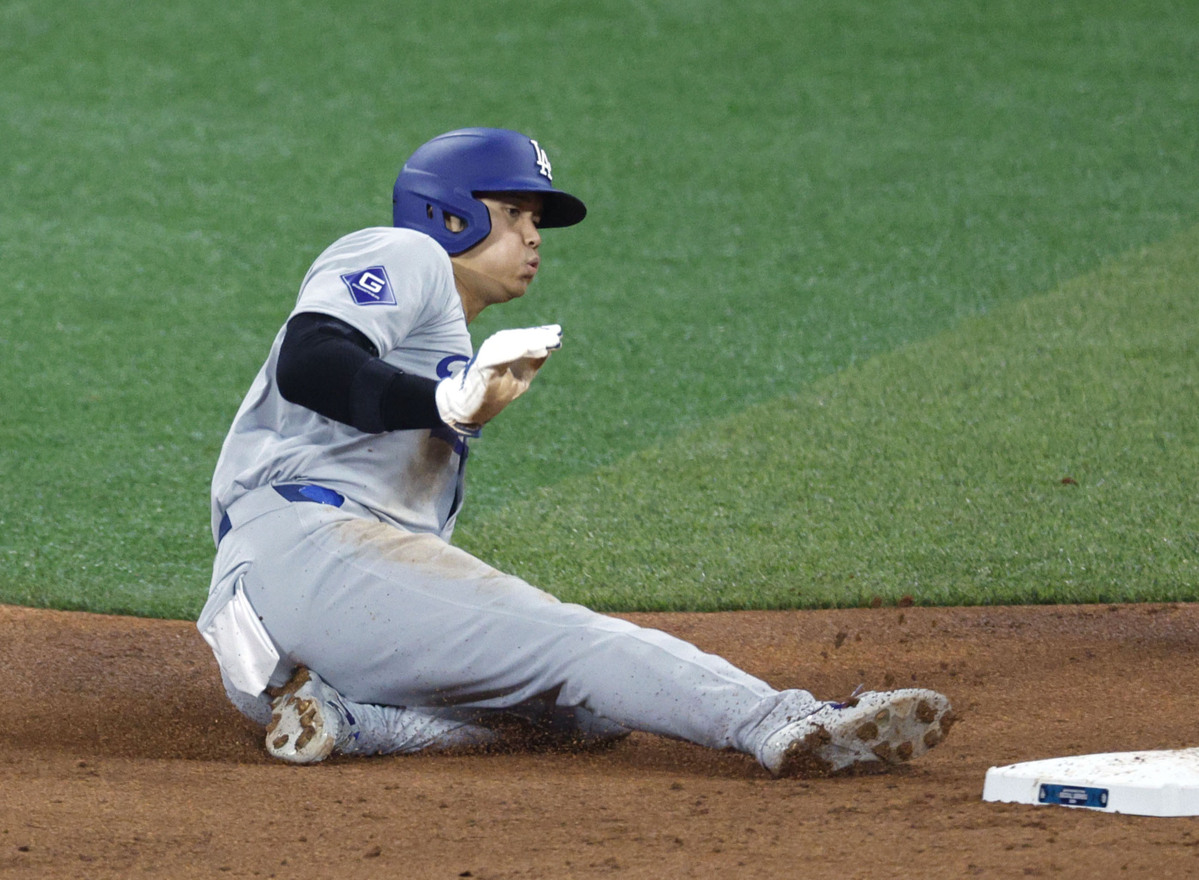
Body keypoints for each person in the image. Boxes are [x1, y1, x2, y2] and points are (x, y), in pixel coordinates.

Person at [196, 127, 955, 776]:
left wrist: (446, 396)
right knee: (574, 645)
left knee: (586, 714)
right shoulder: (403, 252)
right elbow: (311, 358)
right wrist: (440, 402)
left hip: (288, 624)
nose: (533, 236)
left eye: (536, 219)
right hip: (310, 558)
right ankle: (787, 721)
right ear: (448, 214)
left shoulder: (442, 332)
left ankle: (356, 721)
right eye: (513, 212)